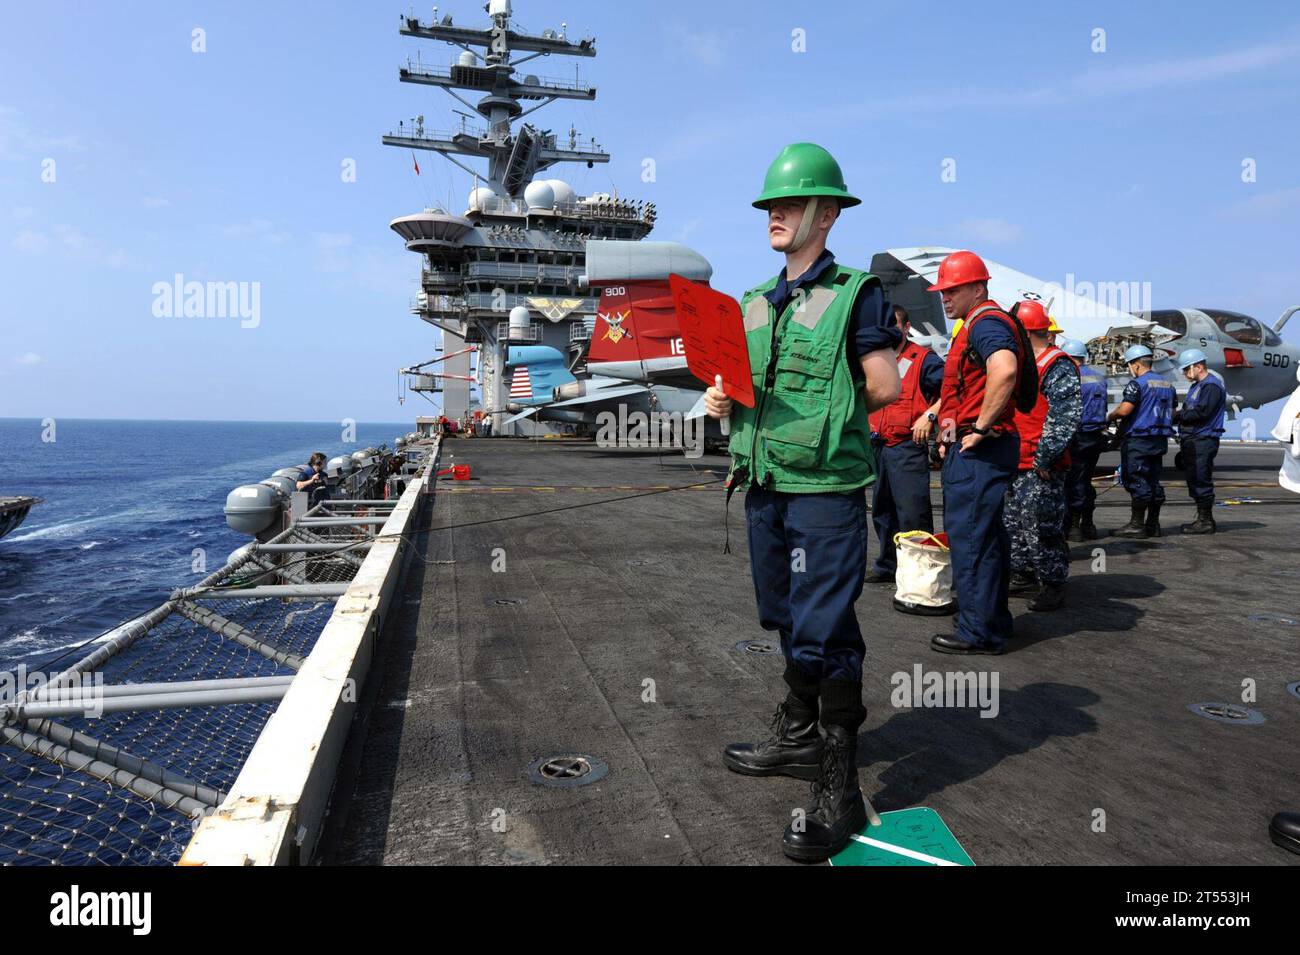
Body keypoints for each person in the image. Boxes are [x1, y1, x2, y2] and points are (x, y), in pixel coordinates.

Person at [704, 142, 901, 862]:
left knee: (826, 624)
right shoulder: (755, 303)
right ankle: (797, 731)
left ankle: (839, 781)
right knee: (783, 612)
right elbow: (736, 388)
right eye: (769, 206)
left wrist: (809, 412)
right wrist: (722, 399)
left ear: (827, 213)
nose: (774, 215)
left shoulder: (858, 293)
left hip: (823, 488)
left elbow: (885, 385)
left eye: (789, 204)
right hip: (762, 486)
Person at [927, 251, 1023, 655]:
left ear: (978, 288)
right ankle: (993, 620)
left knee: (970, 541)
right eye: (943, 291)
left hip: (979, 451)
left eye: (953, 290)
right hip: (986, 448)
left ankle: (976, 632)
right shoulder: (981, 323)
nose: (945, 298)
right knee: (988, 539)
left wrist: (980, 428)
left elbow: (1005, 369)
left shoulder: (984, 324)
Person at [1003, 303, 1081, 612]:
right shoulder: (1021, 363)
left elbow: (1065, 418)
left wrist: (1044, 458)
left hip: (1038, 465)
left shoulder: (1056, 364)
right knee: (1014, 524)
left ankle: (1053, 582)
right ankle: (1022, 572)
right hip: (1014, 459)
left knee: (1042, 525)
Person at [865, 305, 945, 586]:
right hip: (878, 447)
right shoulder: (876, 360)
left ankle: (922, 575)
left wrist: (930, 415)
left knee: (913, 513)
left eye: (894, 326)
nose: (888, 331)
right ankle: (888, 564)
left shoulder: (924, 360)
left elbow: (951, 391)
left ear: (906, 327)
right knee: (882, 511)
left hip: (906, 447)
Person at [1107, 345, 1175, 537]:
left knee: (1135, 479)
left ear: (1136, 365)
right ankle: (1153, 525)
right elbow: (1173, 410)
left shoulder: (1137, 384)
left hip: (1138, 440)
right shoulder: (1167, 385)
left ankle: (1136, 525)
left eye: (1129, 365)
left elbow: (1125, 411)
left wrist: (1111, 416)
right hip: (1159, 440)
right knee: (1153, 480)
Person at [1173, 348, 1226, 534]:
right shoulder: (1197, 386)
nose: (1185, 373)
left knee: (1201, 478)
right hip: (1193, 440)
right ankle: (1203, 518)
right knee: (1194, 478)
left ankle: (1206, 521)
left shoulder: (1211, 386)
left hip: (1203, 439)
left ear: (1199, 366)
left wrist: (1177, 416)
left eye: (1187, 369)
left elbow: (1202, 412)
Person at [1061, 338, 1107, 540]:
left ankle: (1074, 527)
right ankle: (1088, 524)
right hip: (1095, 436)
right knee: (1086, 479)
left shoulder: (1069, 377)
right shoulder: (1099, 378)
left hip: (1077, 436)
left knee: (1074, 481)